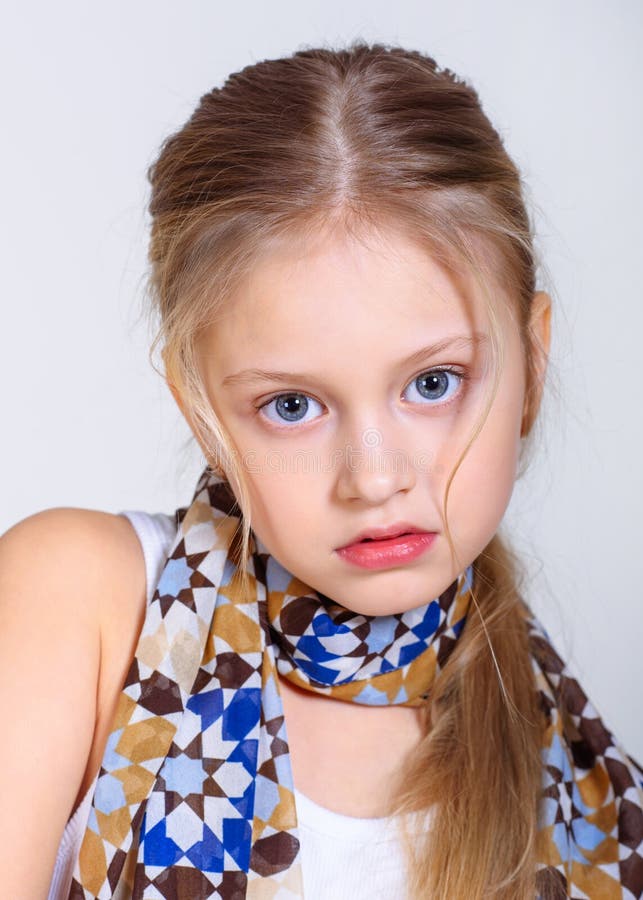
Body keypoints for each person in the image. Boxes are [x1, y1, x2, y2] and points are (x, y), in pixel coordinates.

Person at [0, 40, 641, 900]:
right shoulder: (87, 602)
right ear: (201, 411)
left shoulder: (587, 781)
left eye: (432, 383)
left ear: (531, 365)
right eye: (292, 406)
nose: (373, 479)